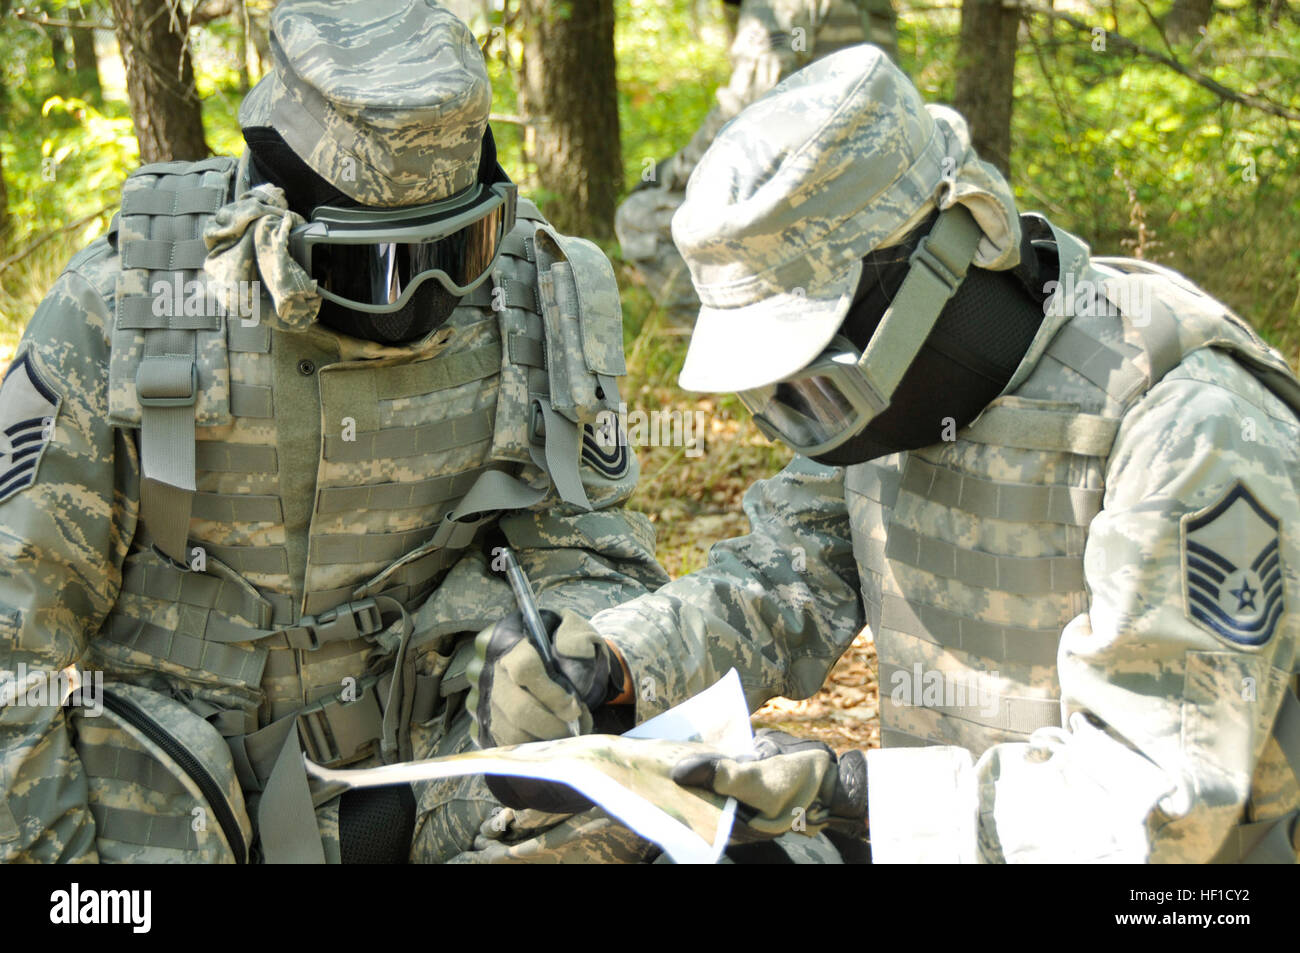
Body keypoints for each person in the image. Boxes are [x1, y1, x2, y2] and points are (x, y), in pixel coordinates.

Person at [470, 46, 1300, 862]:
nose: (806, 427)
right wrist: (611, 664)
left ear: (951, 255)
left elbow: (1156, 811)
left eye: (813, 383)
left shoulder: (1183, 420)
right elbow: (774, 582)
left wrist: (847, 793)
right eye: (774, 397)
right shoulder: (900, 396)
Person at [0, 0, 670, 864]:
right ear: (277, 203)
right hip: (174, 815)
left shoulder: (538, 291)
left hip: (442, 794)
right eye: (371, 266)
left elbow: (598, 555)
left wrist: (561, 649)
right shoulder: (132, 309)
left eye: (460, 251)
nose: (420, 301)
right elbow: (13, 634)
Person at [616, 0, 898, 325]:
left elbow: (744, 112)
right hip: (877, 192)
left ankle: (746, 343)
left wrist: (672, 171)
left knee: (638, 217)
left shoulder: (776, 6)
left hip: (814, 201)